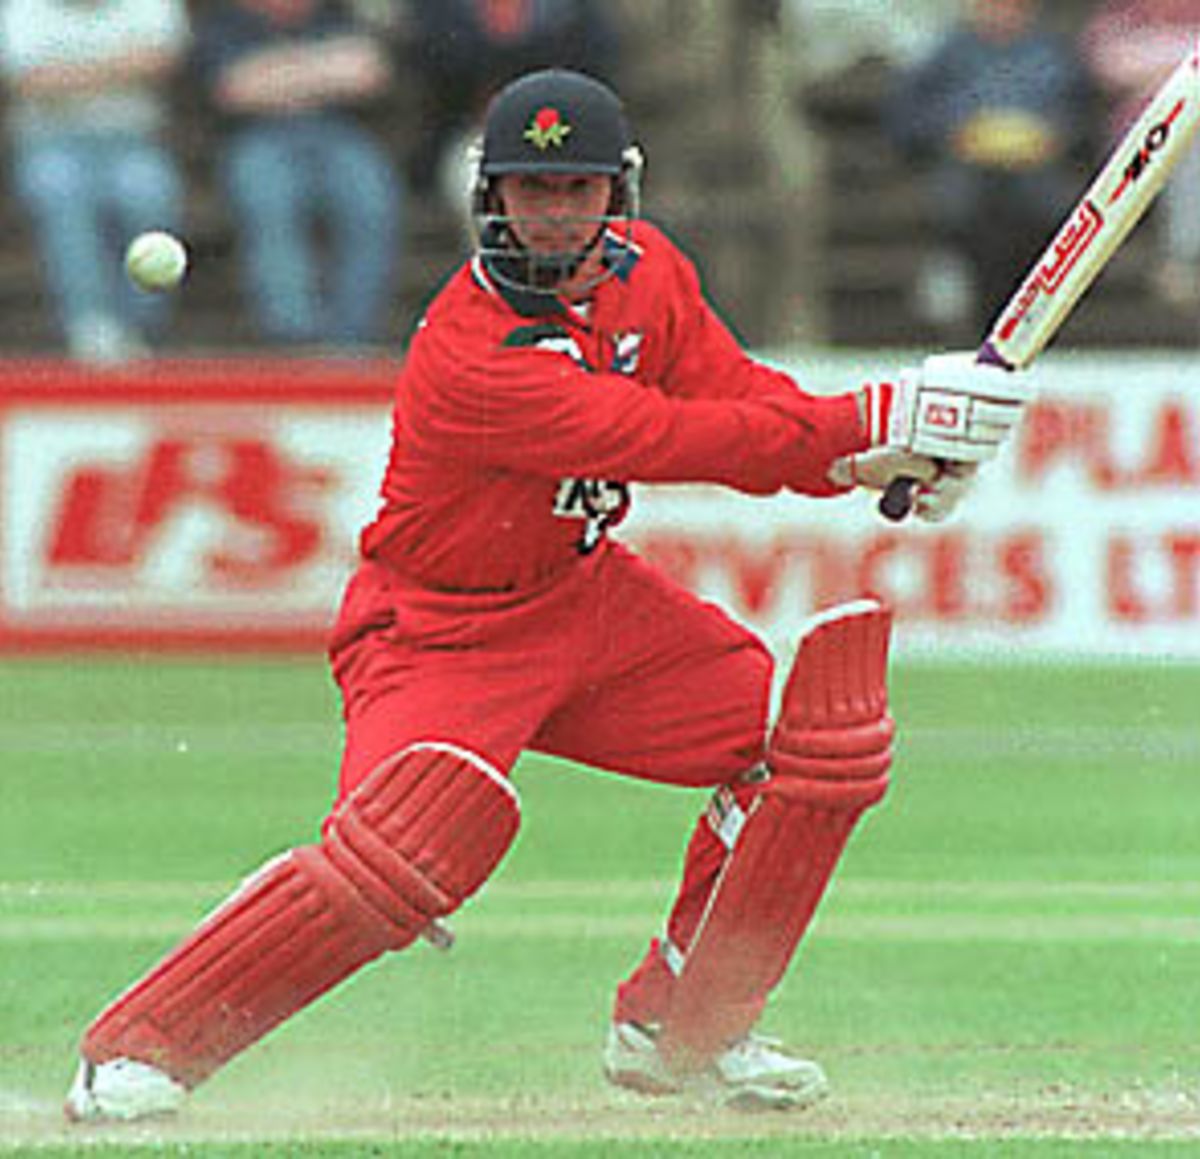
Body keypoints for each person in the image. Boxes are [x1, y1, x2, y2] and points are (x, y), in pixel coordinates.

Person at [63, 69, 1032, 1121]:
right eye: (533, 189)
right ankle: (140, 1048)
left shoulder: (649, 272)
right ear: (491, 198)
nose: (558, 213)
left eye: (579, 188)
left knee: (807, 742)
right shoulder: (473, 353)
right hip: (436, 630)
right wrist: (876, 410)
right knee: (395, 859)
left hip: (584, 601)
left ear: (622, 192)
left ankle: (682, 1028)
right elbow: (658, 438)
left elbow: (737, 395)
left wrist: (867, 458)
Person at [190, 0, 404, 349]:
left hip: (338, 132)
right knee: (268, 201)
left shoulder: (336, 13)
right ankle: (294, 340)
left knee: (372, 200)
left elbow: (369, 73)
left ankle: (350, 341)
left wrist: (275, 72)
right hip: (259, 136)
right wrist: (326, 67)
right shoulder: (227, 21)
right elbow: (235, 90)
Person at [885, 0, 1094, 338]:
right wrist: (954, 132)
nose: (1001, 11)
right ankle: (953, 278)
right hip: (964, 169)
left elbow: (1084, 119)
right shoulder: (945, 54)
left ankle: (1043, 305)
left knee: (1043, 202)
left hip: (1039, 173)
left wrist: (1055, 136)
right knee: (962, 198)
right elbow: (907, 119)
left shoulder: (1055, 55)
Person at [0, 0, 189, 363]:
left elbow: (163, 58)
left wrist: (66, 76)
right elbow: (27, 81)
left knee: (150, 194)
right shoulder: (23, 8)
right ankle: (91, 329)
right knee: (59, 194)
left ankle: (140, 329)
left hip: (134, 140)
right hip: (50, 142)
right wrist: (122, 67)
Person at [407, 0, 621, 210]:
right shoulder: (439, 12)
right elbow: (435, 75)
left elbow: (594, 74)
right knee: (474, 182)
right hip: (469, 132)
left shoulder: (575, 12)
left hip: (564, 130)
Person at [1083, 0, 1200, 312]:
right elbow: (1109, 66)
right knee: (1184, 144)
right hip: (1137, 141)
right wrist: (1184, 66)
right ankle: (1182, 261)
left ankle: (1182, 260)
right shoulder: (1125, 10)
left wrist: (1159, 68)